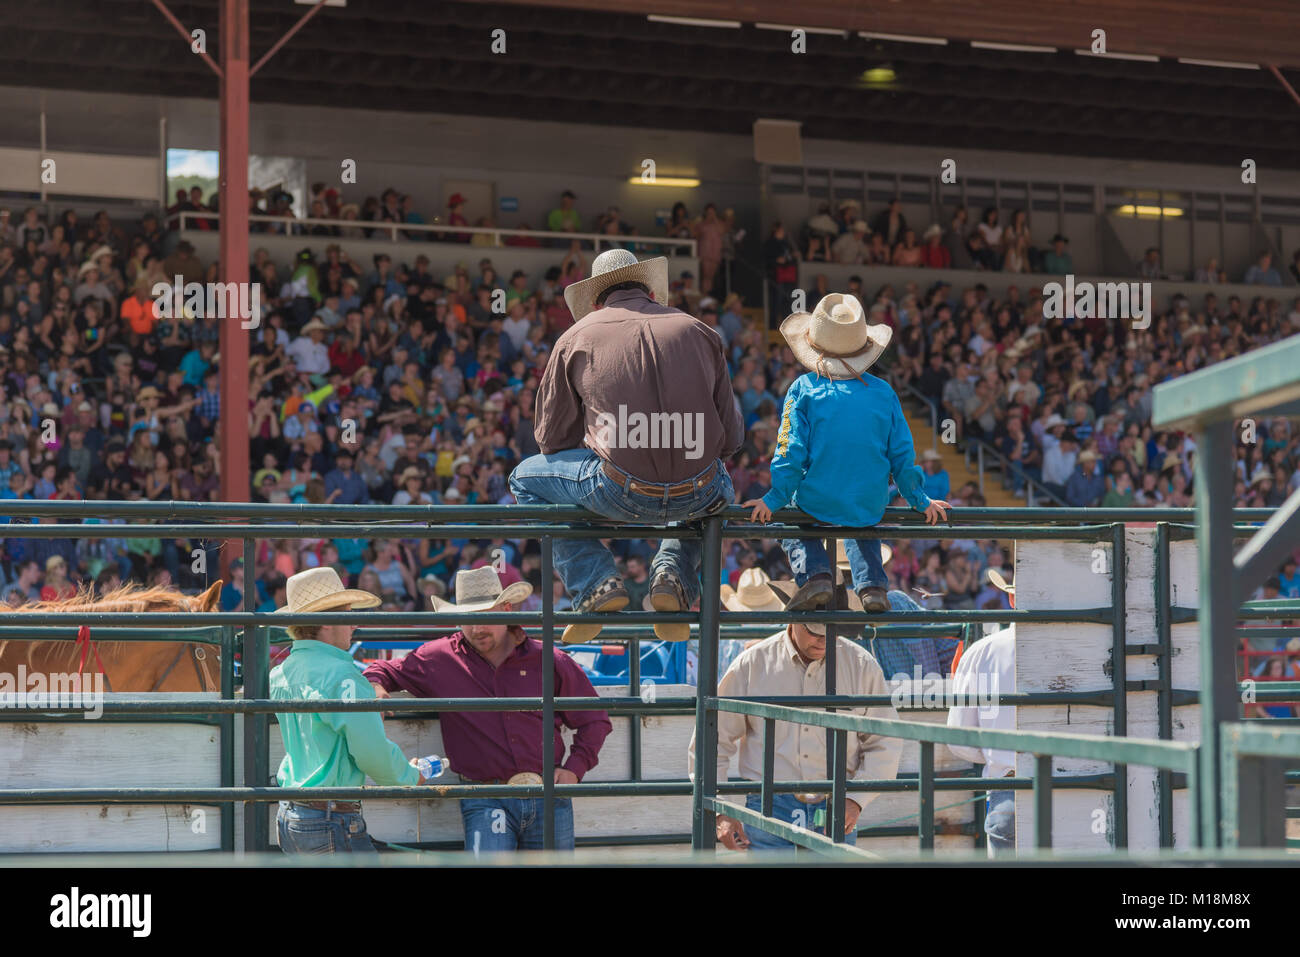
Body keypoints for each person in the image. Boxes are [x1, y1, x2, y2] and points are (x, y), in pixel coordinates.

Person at [510, 249, 742, 644]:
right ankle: (673, 576)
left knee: (524, 479)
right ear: (651, 291)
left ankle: (595, 582)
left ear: (596, 301)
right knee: (719, 487)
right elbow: (732, 440)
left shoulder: (575, 337)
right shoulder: (701, 332)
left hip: (618, 488)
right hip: (700, 488)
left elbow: (550, 440)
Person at [363, 567, 612, 853]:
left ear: (506, 610)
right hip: (485, 794)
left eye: (484, 616)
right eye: (467, 620)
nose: (476, 629)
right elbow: (383, 669)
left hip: (546, 791)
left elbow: (594, 719)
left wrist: (574, 770)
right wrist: (375, 685)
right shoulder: (440, 657)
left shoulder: (547, 658)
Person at [742, 293, 948, 612]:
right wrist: (920, 500)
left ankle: (816, 576)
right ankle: (873, 586)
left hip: (817, 499)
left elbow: (789, 452)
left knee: (791, 517)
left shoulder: (803, 389)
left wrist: (773, 499)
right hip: (868, 500)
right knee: (860, 517)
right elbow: (902, 456)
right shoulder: (884, 392)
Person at [691, 578, 902, 852]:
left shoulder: (861, 665)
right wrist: (722, 810)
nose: (823, 637)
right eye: (814, 629)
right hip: (771, 801)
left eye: (832, 628)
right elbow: (712, 739)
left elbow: (885, 740)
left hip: (832, 802)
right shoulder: (753, 663)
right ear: (791, 618)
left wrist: (856, 799)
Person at [270, 568, 428, 855]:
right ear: (328, 621)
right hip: (330, 818)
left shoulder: (281, 673)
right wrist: (408, 775)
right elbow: (370, 752)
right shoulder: (343, 676)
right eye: (347, 613)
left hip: (291, 813)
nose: (354, 624)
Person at [946, 568, 1017, 856]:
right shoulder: (1080, 648)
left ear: (1012, 599)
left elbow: (960, 738)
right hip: (1072, 786)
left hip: (1007, 785)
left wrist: (993, 751)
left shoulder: (983, 651)